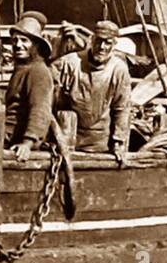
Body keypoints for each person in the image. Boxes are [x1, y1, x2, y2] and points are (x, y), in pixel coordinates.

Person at [51, 19, 132, 164]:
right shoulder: (69, 62)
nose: (102, 47)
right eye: (99, 41)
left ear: (114, 45)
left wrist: (118, 142)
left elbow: (122, 108)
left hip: (100, 143)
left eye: (108, 43)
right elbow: (48, 93)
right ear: (92, 39)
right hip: (67, 138)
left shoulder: (119, 69)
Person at [4, 15, 54, 159]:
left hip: (15, 138)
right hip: (5, 133)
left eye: (24, 40)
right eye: (15, 40)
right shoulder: (22, 68)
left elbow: (40, 109)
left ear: (36, 45)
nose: (18, 45)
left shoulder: (38, 71)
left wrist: (27, 143)